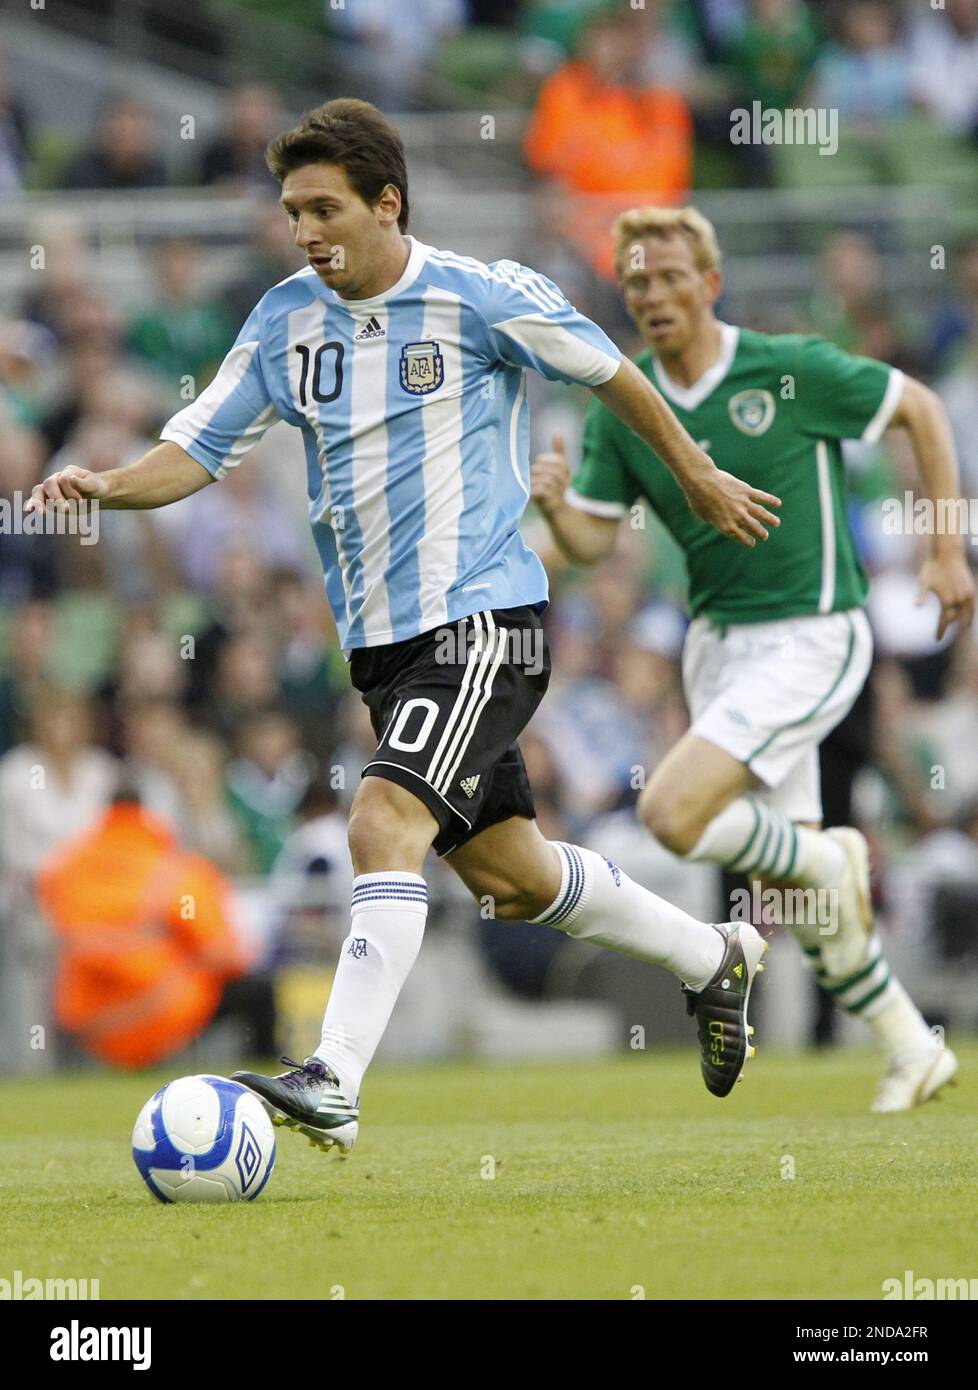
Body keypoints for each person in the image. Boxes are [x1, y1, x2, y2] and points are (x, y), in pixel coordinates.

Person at [28, 99, 781, 1153]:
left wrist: (695, 476)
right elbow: (197, 449)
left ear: (389, 204)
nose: (304, 231)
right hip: (383, 650)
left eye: (324, 208)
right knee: (509, 875)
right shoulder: (283, 319)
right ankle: (716, 958)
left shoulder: (482, 296)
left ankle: (333, 1075)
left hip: (483, 620)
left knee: (382, 819)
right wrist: (105, 482)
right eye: (292, 211)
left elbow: (610, 370)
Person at [531, 204, 975, 1111]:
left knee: (670, 811)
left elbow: (920, 409)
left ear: (710, 283)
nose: (652, 294)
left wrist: (943, 547)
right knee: (803, 893)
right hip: (716, 648)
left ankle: (829, 864)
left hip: (812, 632)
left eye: (668, 276)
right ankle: (909, 1047)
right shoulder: (625, 406)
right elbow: (589, 542)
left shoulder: (788, 367)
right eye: (637, 281)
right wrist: (555, 506)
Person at [35, 785, 251, 1068]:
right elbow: (221, 952)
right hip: (162, 1010)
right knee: (254, 992)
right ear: (146, 812)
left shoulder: (65, 865)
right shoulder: (177, 869)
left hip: (86, 1018)